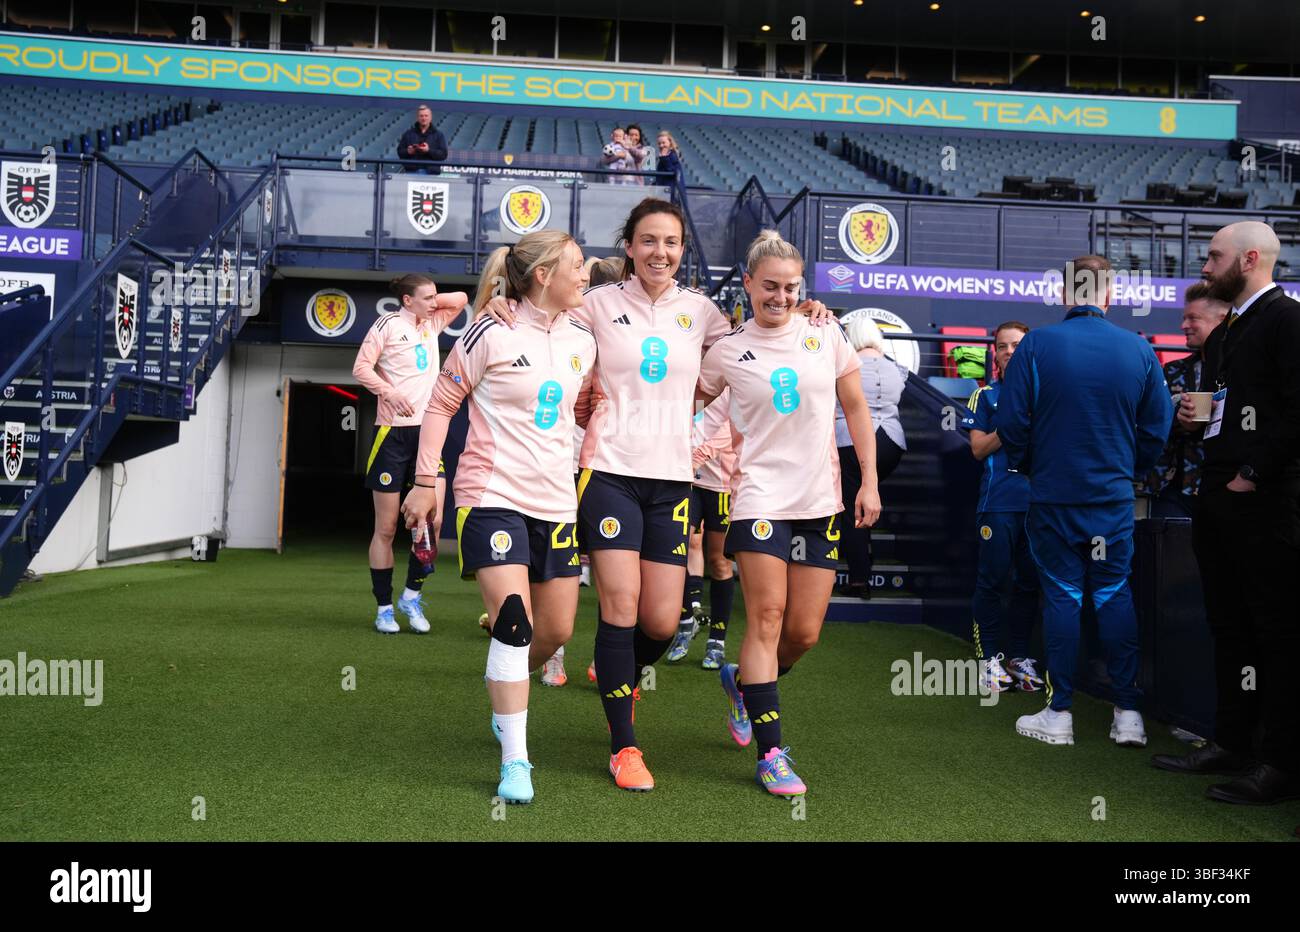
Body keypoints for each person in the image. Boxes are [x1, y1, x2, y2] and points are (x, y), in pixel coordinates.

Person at [481, 198, 833, 792]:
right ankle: (624, 745)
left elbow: (761, 340)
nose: (660, 253)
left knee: (664, 620)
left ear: (681, 250)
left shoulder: (703, 314)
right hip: (608, 471)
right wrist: (505, 303)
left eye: (671, 243)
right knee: (619, 607)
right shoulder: (594, 304)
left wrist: (812, 311)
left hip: (673, 478)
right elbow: (539, 313)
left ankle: (619, 675)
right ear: (629, 246)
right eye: (648, 241)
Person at [401, 231, 597, 805]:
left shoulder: (584, 334)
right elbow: (440, 404)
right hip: (491, 495)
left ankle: (504, 684)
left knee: (555, 630)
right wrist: (425, 479)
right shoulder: (491, 330)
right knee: (514, 620)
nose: (586, 276)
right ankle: (516, 760)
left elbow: (584, 403)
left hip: (558, 501)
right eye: (578, 267)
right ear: (543, 276)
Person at [697, 230, 881, 796]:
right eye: (768, 286)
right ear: (747, 283)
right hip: (757, 499)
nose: (778, 296)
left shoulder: (825, 334)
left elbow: (856, 409)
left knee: (802, 634)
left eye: (789, 287)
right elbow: (684, 400)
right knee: (767, 618)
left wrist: (868, 481)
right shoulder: (727, 349)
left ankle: (743, 686)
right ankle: (772, 752)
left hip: (819, 501)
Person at [996, 254, 1171, 748]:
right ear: (1109, 296)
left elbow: (1012, 423)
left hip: (1055, 497)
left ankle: (1061, 712)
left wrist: (1033, 465)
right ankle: (1128, 712)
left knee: (1064, 597)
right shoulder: (1138, 349)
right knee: (1113, 593)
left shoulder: (1038, 344)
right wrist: (1126, 469)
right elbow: (1157, 428)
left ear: (1066, 294)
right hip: (1111, 499)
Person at [1152, 221, 1300, 805]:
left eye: (1214, 257)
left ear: (1252, 259)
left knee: (1277, 634)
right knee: (1230, 627)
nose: (1205, 266)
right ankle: (1234, 740)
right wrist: (1202, 414)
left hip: (1264, 502)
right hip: (1217, 498)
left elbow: (1295, 413)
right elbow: (1235, 409)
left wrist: (1252, 473)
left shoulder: (1286, 321)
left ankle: (1281, 763)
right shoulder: (1229, 332)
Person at [352, 275, 467, 634]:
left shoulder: (432, 321)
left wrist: (431, 299)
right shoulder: (386, 325)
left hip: (427, 435)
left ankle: (411, 597)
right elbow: (360, 369)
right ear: (406, 300)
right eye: (427, 298)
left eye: (435, 297)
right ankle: (384, 608)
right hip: (392, 435)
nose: (435, 303)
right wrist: (389, 392)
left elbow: (461, 299)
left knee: (432, 522)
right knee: (386, 528)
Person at [965, 321, 1043, 693]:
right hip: (998, 503)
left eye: (1016, 345)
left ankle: (1020, 658)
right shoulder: (984, 396)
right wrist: (1009, 426)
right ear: (994, 354)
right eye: (1002, 346)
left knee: (1030, 584)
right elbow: (978, 449)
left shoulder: (1048, 396)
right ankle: (989, 660)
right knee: (993, 581)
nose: (1009, 351)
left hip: (1042, 504)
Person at [1142, 282, 1230, 520]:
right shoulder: (1171, 370)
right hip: (1171, 490)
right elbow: (1148, 422)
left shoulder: (1244, 371)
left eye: (1193, 318)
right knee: (1167, 556)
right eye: (1184, 318)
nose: (1184, 326)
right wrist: (1178, 417)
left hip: (1227, 490)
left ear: (1222, 320)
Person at [833, 316, 906, 600]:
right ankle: (864, 562)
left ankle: (859, 579)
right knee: (864, 503)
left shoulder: (846, 364)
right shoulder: (897, 369)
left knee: (854, 510)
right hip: (891, 442)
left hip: (850, 439)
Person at [665, 390, 737, 669]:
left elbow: (733, 426)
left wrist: (698, 455)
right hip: (685, 481)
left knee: (720, 562)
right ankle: (685, 624)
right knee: (675, 550)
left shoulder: (733, 372)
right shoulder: (688, 374)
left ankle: (716, 641)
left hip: (721, 484)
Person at [396, 104, 448, 174]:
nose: (424, 118)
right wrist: (408, 151)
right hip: (411, 172)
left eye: (426, 116)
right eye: (421, 116)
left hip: (431, 173)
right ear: (417, 118)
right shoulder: (408, 134)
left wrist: (428, 150)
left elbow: (443, 155)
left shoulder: (439, 135)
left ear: (430, 117)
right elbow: (400, 152)